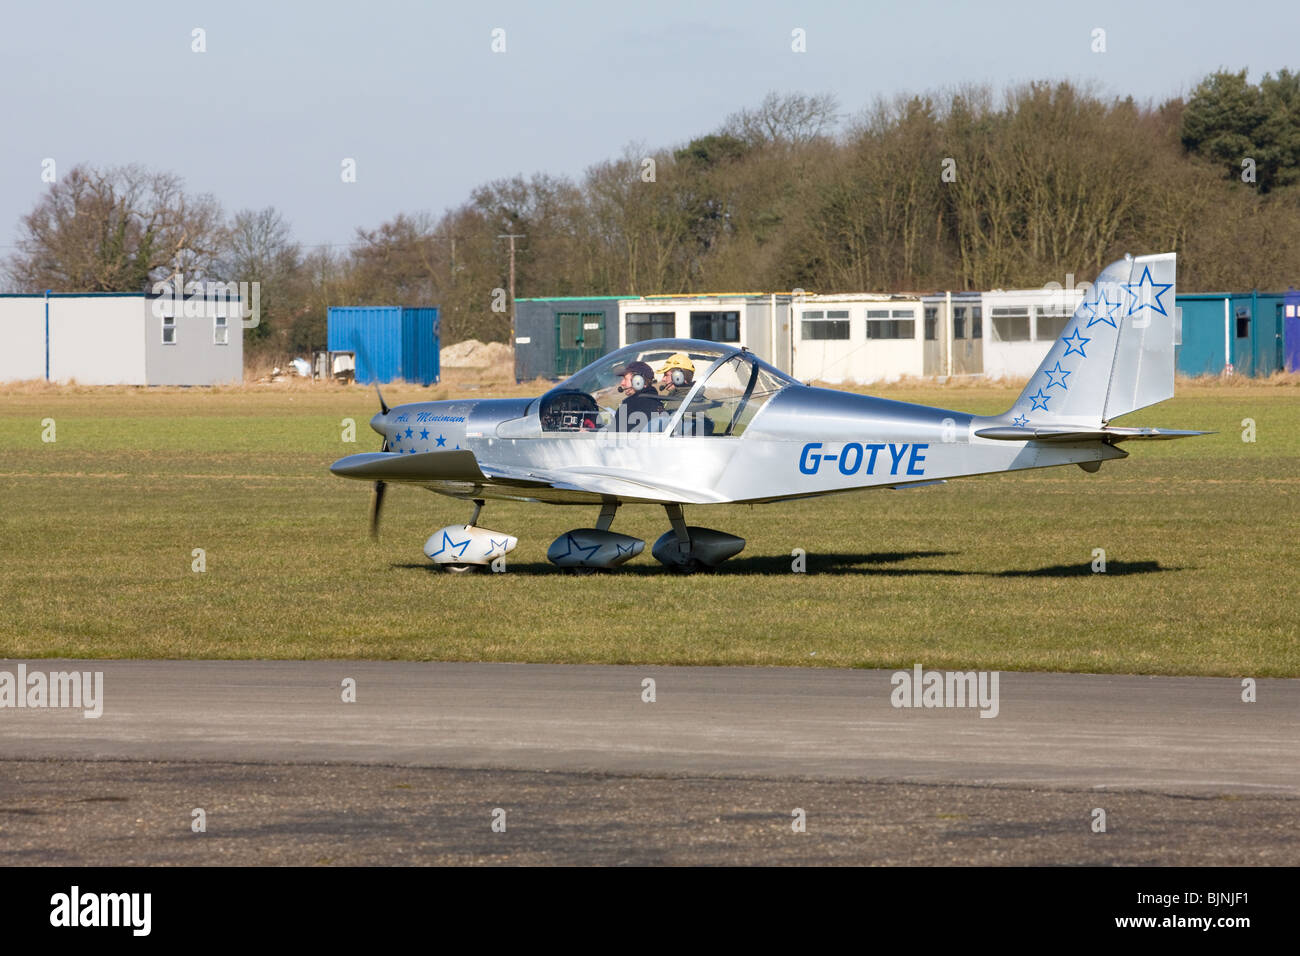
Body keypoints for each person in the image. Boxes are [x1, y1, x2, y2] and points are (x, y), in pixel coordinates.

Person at [613, 360, 664, 431]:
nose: (622, 383)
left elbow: (615, 436)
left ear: (638, 381)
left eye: (625, 379)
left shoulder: (629, 405)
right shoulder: (658, 403)